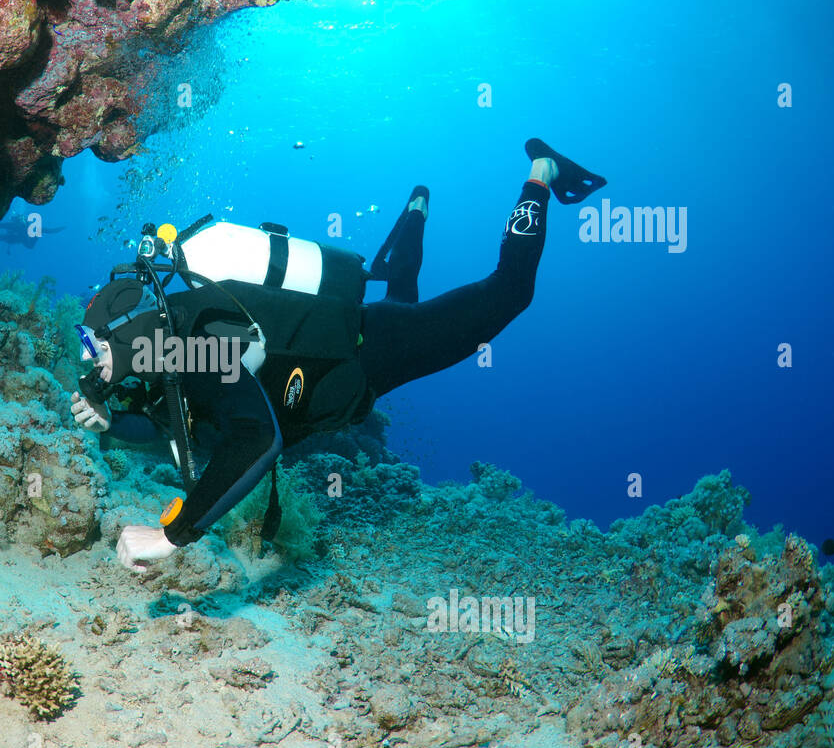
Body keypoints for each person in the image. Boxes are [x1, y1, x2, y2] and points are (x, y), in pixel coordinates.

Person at [71, 139, 606, 571]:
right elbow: (162, 427)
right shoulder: (171, 360)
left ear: (137, 339)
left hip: (370, 351)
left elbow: (258, 438)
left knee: (507, 294)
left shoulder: (200, 353)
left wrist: (174, 535)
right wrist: (110, 421)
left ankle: (541, 172)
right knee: (402, 295)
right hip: (353, 370)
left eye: (101, 352)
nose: (97, 365)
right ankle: (416, 208)